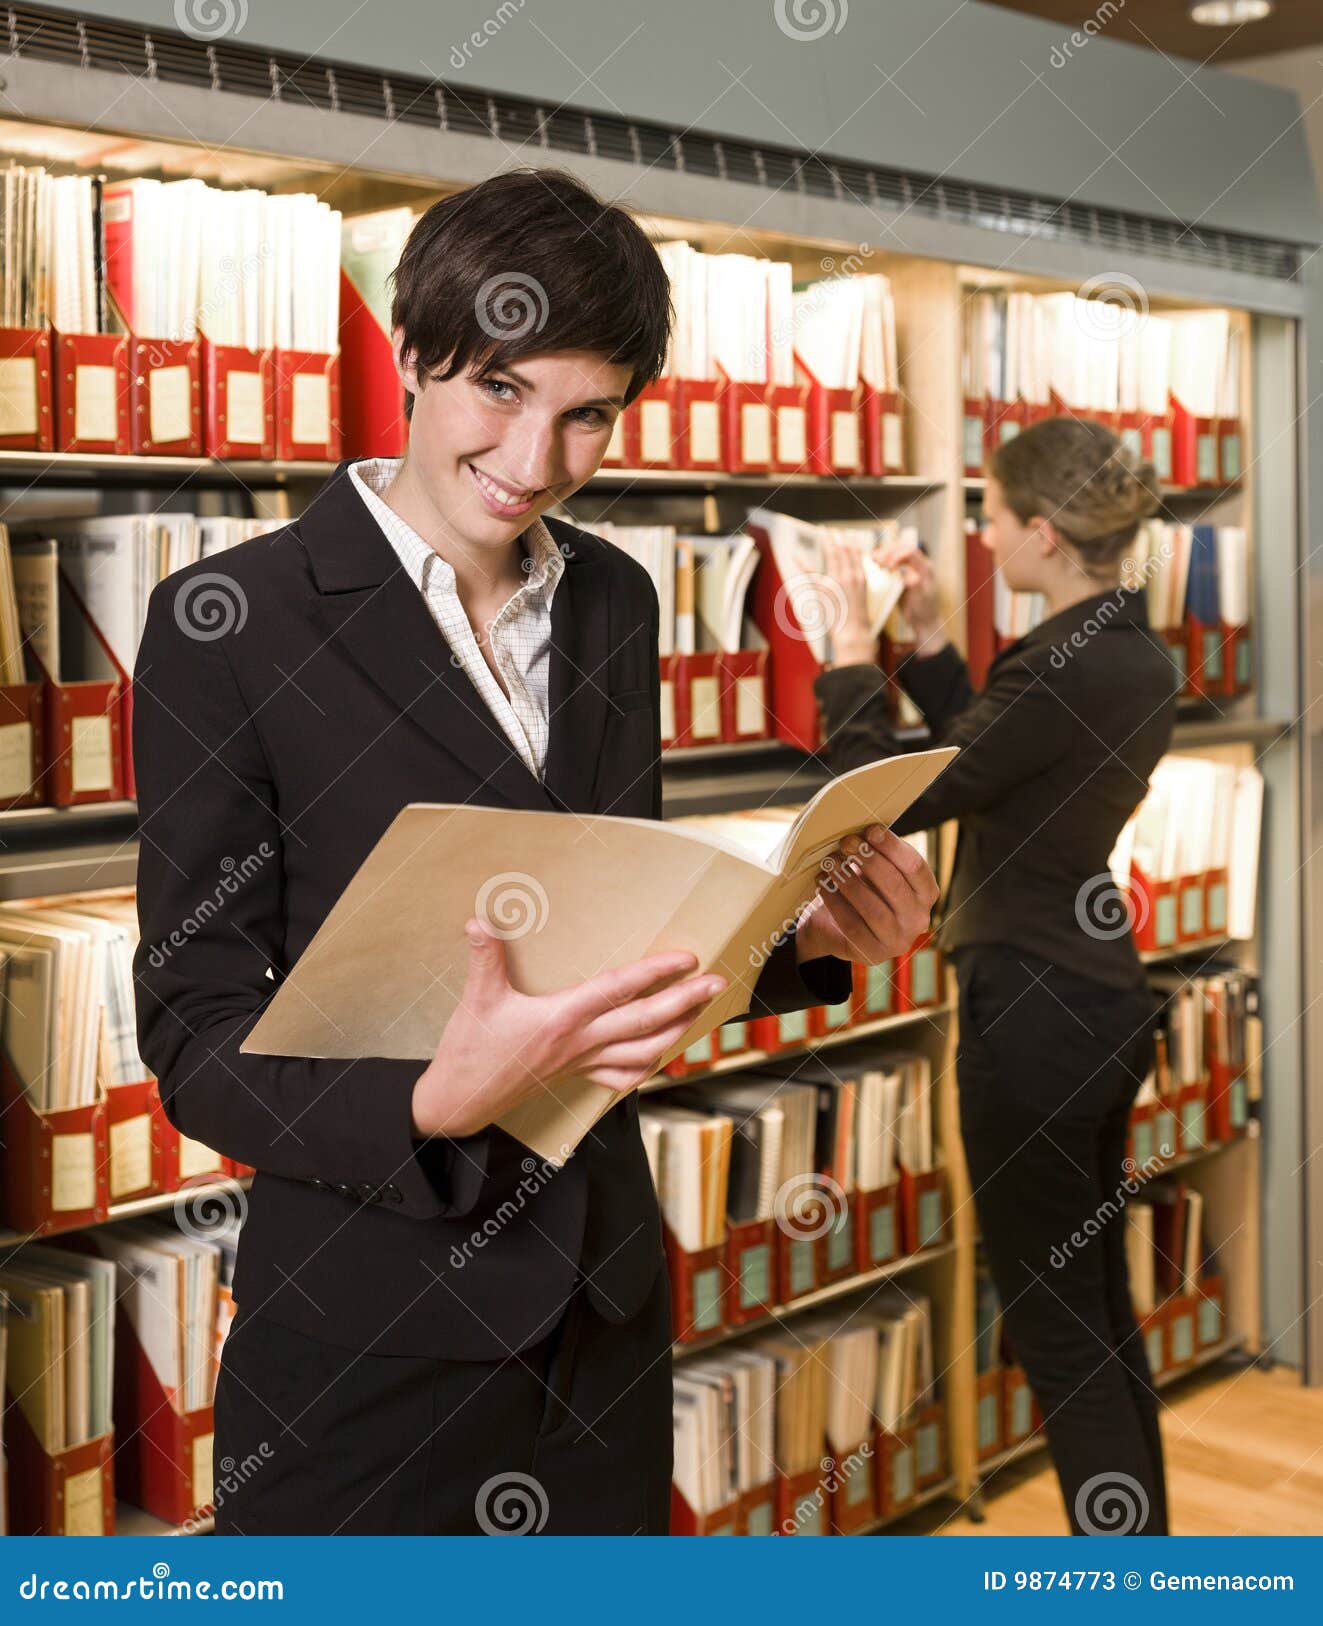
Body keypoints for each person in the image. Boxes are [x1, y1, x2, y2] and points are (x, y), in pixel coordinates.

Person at [131, 167, 940, 1536]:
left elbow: (607, 941)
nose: (534, 458)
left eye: (585, 417)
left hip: (601, 1304)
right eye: (498, 389)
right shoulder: (231, 620)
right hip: (371, 1332)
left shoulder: (614, 601)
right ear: (410, 354)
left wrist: (799, 948)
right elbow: (195, 1035)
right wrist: (428, 1102)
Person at [811, 415, 1177, 1536]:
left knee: (1056, 1325)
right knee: (1097, 1309)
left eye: (991, 512)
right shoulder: (1128, 649)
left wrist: (842, 657)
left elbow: (897, 792)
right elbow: (1000, 756)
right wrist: (923, 642)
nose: (979, 530)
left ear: (1043, 532)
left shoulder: (1065, 664)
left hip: (1034, 1010)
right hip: (1099, 996)